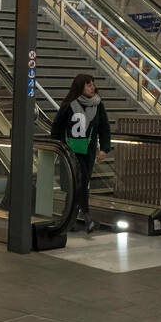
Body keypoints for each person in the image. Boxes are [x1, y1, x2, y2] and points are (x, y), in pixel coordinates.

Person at [50, 74, 111, 234]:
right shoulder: (69, 105)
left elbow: (104, 128)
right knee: (79, 184)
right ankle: (87, 217)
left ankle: (68, 219)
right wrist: (57, 147)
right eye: (89, 85)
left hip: (88, 152)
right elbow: (57, 127)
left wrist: (104, 148)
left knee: (79, 184)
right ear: (80, 87)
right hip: (70, 151)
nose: (93, 87)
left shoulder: (98, 105)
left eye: (93, 84)